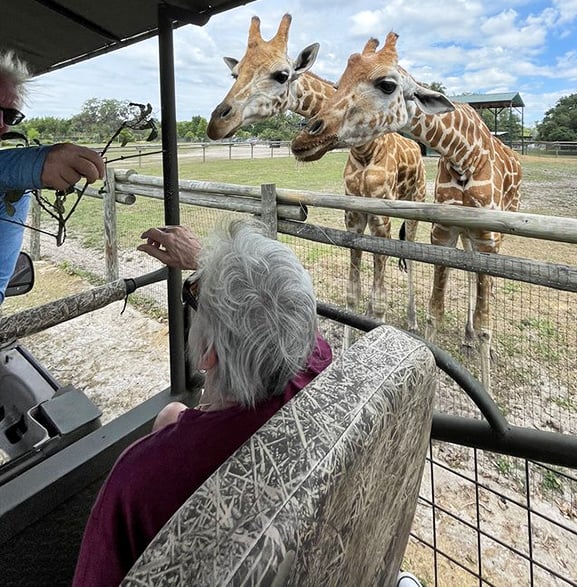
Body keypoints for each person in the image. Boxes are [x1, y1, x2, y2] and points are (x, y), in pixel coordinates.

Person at [72, 219, 332, 587]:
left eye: (196, 298)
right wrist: (213, 265)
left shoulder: (138, 483)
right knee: (172, 414)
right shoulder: (316, 365)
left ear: (209, 354)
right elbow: (281, 310)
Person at [0, 49, 105, 302]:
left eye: (9, 115)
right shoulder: (17, 177)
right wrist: (33, 165)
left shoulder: (14, 193)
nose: (1, 125)